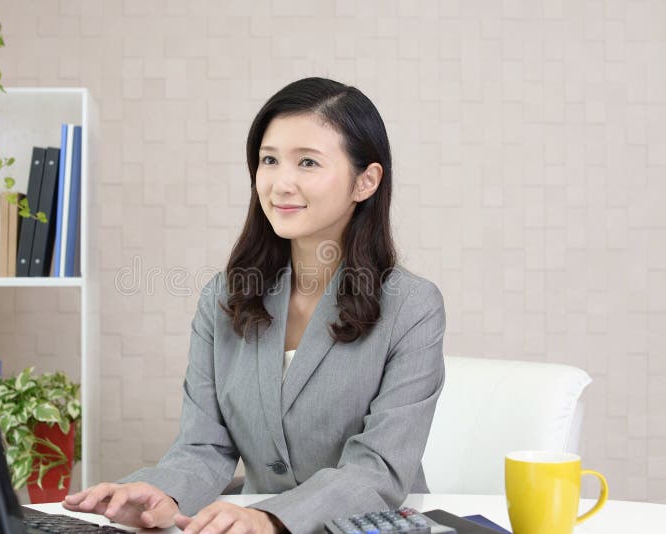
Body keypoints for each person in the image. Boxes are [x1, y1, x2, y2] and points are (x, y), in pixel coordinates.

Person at [63, 77, 446, 533]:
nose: (280, 183)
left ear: (365, 181)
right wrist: (161, 492)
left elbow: (378, 469)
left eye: (307, 162)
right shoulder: (224, 298)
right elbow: (203, 446)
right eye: (269, 160)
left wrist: (270, 517)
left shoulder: (413, 307)